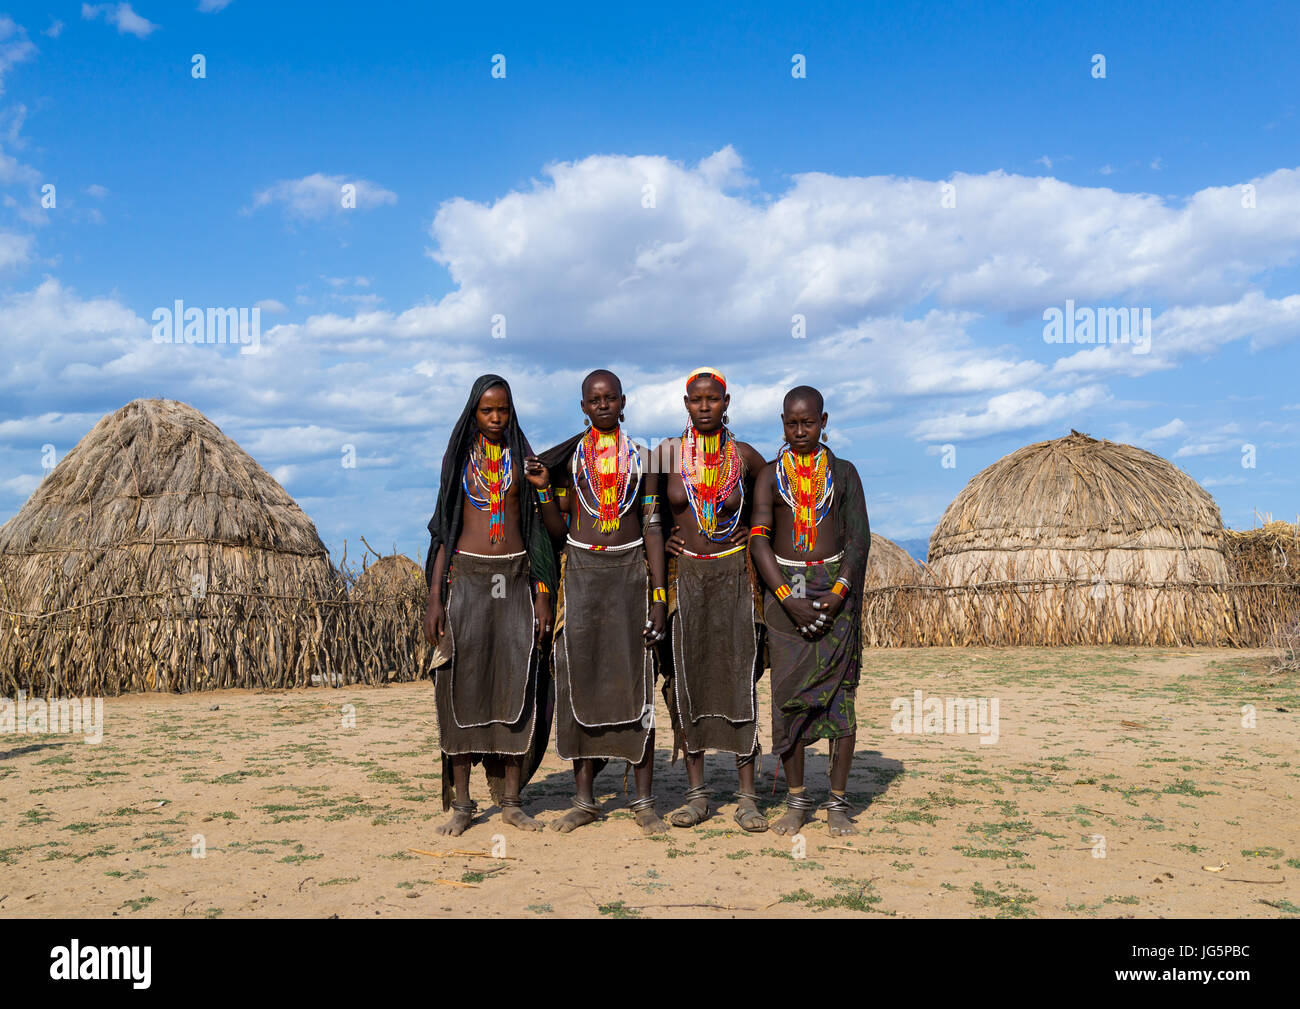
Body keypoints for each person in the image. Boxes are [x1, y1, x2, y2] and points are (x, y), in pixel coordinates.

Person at [533, 369, 670, 835]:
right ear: (584, 407)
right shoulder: (570, 463)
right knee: (580, 681)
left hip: (631, 574)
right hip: (583, 576)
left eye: (611, 397)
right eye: (595, 399)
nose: (604, 405)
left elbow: (652, 526)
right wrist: (542, 492)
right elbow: (556, 531)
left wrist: (658, 596)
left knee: (638, 682)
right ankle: (585, 800)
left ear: (623, 401)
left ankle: (644, 800)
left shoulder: (644, 459)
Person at [422, 375, 558, 837]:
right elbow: (444, 531)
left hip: (515, 580)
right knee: (460, 687)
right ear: (473, 414)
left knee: (514, 685)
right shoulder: (459, 460)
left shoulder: (525, 462)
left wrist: (543, 597)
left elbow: (543, 534)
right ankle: (462, 804)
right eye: (487, 411)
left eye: (503, 410)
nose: (496, 418)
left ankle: (513, 802)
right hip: (468, 582)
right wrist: (435, 597)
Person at [648, 367, 770, 832]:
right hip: (686, 581)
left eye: (712, 399)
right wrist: (660, 553)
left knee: (740, 681)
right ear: (685, 403)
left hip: (735, 576)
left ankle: (747, 797)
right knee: (688, 680)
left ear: (727, 402)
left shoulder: (744, 457)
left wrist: (755, 530)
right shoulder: (665, 456)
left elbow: (771, 505)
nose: (704, 406)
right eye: (696, 399)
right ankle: (696, 795)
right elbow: (649, 518)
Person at [748, 386, 870, 837]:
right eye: (791, 423)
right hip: (785, 593)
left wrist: (839, 593)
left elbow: (859, 539)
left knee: (841, 701)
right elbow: (758, 538)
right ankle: (797, 801)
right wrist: (785, 596)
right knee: (789, 701)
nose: (800, 431)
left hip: (836, 589)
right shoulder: (768, 476)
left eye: (808, 422)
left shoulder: (844, 474)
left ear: (824, 420)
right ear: (782, 422)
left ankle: (838, 803)